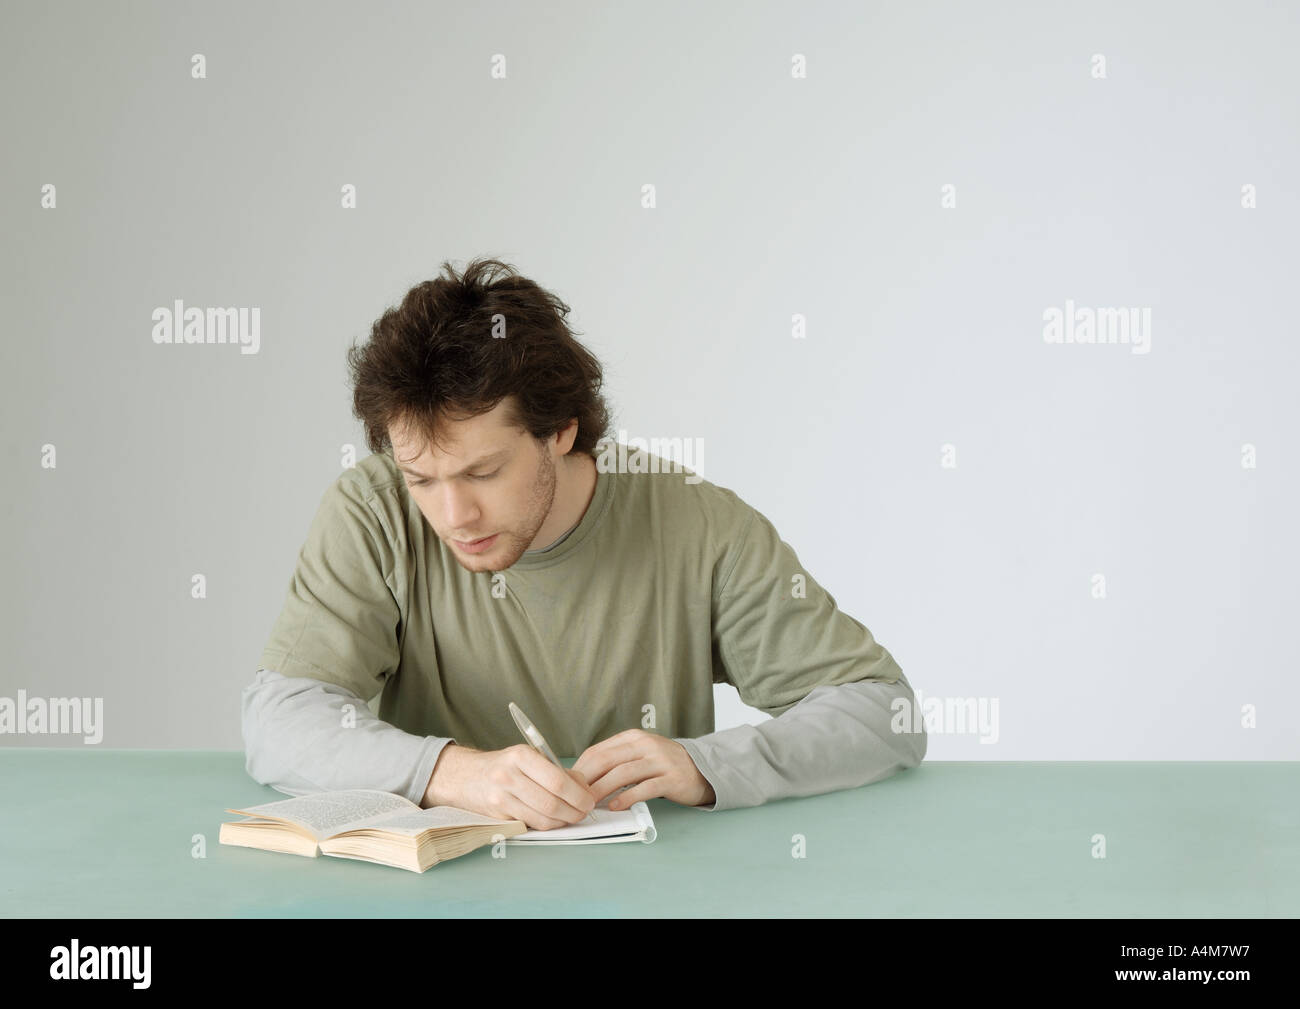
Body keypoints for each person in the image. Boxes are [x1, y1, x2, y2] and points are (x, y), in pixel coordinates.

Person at [241, 257, 926, 829]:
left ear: (560, 430)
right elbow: (280, 721)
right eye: (421, 477)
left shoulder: (699, 525)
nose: (453, 514)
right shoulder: (372, 511)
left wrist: (706, 765)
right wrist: (454, 773)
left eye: (484, 470)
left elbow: (883, 710)